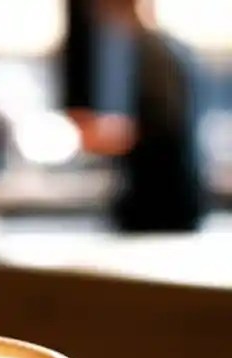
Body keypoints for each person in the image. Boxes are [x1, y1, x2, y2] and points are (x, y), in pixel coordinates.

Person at [72, 0, 210, 233]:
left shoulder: (151, 53)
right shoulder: (154, 48)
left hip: (162, 203)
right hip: (168, 200)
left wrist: (106, 135)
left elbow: (164, 123)